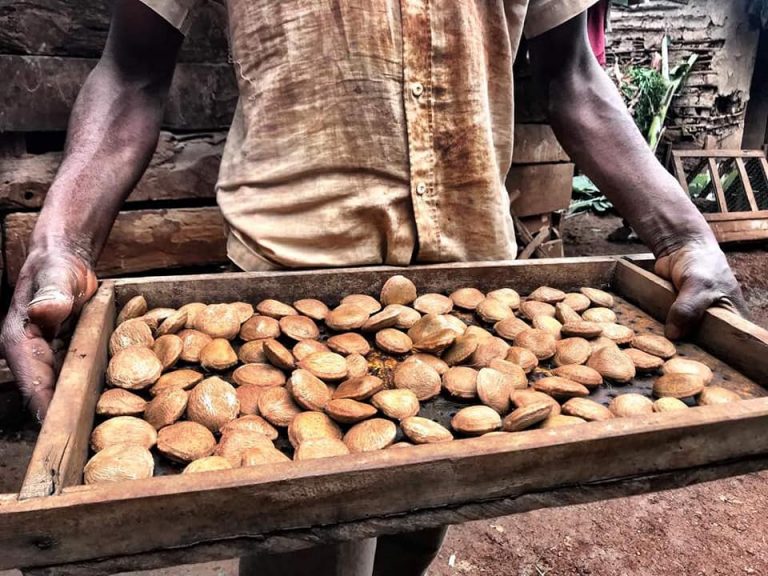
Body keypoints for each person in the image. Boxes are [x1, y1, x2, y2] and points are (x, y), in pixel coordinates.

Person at [0, 1, 746, 574]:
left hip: (468, 300)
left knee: (418, 522)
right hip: (282, 299)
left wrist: (683, 235)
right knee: (303, 548)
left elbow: (575, 76)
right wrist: (60, 242)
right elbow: (132, 70)